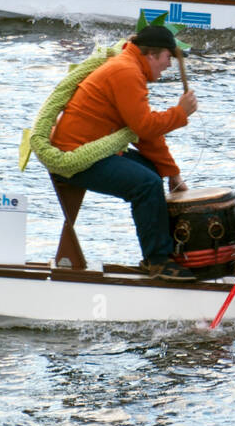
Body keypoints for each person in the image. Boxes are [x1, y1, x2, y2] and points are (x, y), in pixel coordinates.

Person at [48, 26, 198, 279]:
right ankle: (158, 261)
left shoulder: (130, 66)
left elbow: (144, 135)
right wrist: (180, 113)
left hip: (91, 148)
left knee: (152, 172)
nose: (169, 65)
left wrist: (172, 173)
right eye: (167, 58)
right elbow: (144, 126)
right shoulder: (126, 71)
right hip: (74, 157)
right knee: (147, 184)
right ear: (152, 54)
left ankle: (160, 254)